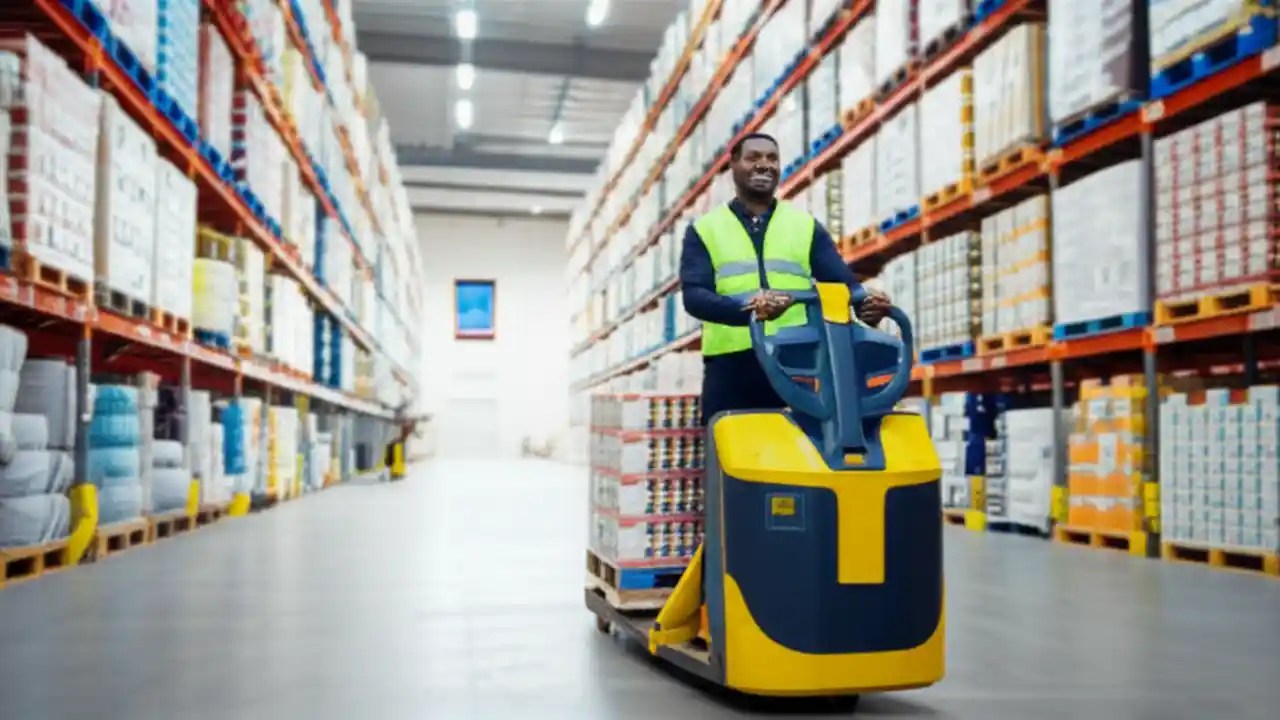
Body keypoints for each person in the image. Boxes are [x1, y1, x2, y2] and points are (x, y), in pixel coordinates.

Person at [679, 132, 891, 425]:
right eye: (754, 157)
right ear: (733, 166)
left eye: (772, 158)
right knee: (730, 458)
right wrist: (749, 310)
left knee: (799, 455)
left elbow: (844, 284)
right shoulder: (705, 229)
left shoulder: (804, 226)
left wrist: (866, 304)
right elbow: (695, 296)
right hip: (732, 366)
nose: (764, 165)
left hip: (798, 361)